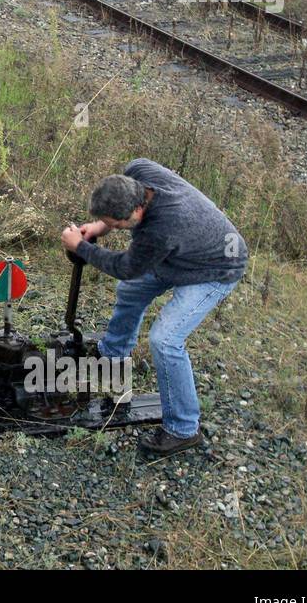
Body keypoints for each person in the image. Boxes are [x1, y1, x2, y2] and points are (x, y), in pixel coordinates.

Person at [60, 158, 246, 454]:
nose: (111, 228)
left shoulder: (162, 229)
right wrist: (99, 226)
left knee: (165, 340)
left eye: (114, 224)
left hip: (217, 266)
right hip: (182, 250)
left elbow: (127, 266)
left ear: (137, 210)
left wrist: (82, 248)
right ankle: (113, 356)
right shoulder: (139, 171)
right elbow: (133, 271)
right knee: (131, 292)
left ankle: (183, 429)